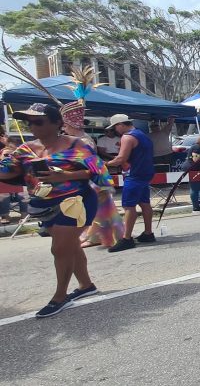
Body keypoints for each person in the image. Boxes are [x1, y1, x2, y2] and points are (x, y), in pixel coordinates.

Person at [0, 103, 108, 317]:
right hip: (44, 204)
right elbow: (6, 173)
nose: (32, 126)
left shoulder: (77, 145)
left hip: (77, 201)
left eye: (38, 121)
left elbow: (101, 173)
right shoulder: (25, 149)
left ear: (57, 123)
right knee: (69, 247)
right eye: (28, 122)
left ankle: (60, 297)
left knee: (59, 249)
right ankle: (86, 286)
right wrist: (5, 159)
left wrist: (66, 176)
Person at [59, 101, 124, 248]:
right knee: (99, 209)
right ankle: (98, 235)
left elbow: (87, 163)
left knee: (98, 210)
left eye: (65, 125)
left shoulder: (83, 141)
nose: (64, 128)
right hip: (90, 179)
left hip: (93, 179)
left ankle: (95, 236)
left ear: (71, 124)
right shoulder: (79, 139)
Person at [106, 113, 156, 252]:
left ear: (120, 125)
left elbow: (121, 159)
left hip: (134, 174)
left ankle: (126, 239)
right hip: (146, 173)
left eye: (115, 127)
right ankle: (148, 233)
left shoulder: (127, 137)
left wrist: (104, 165)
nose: (115, 131)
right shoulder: (142, 134)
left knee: (129, 206)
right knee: (145, 203)